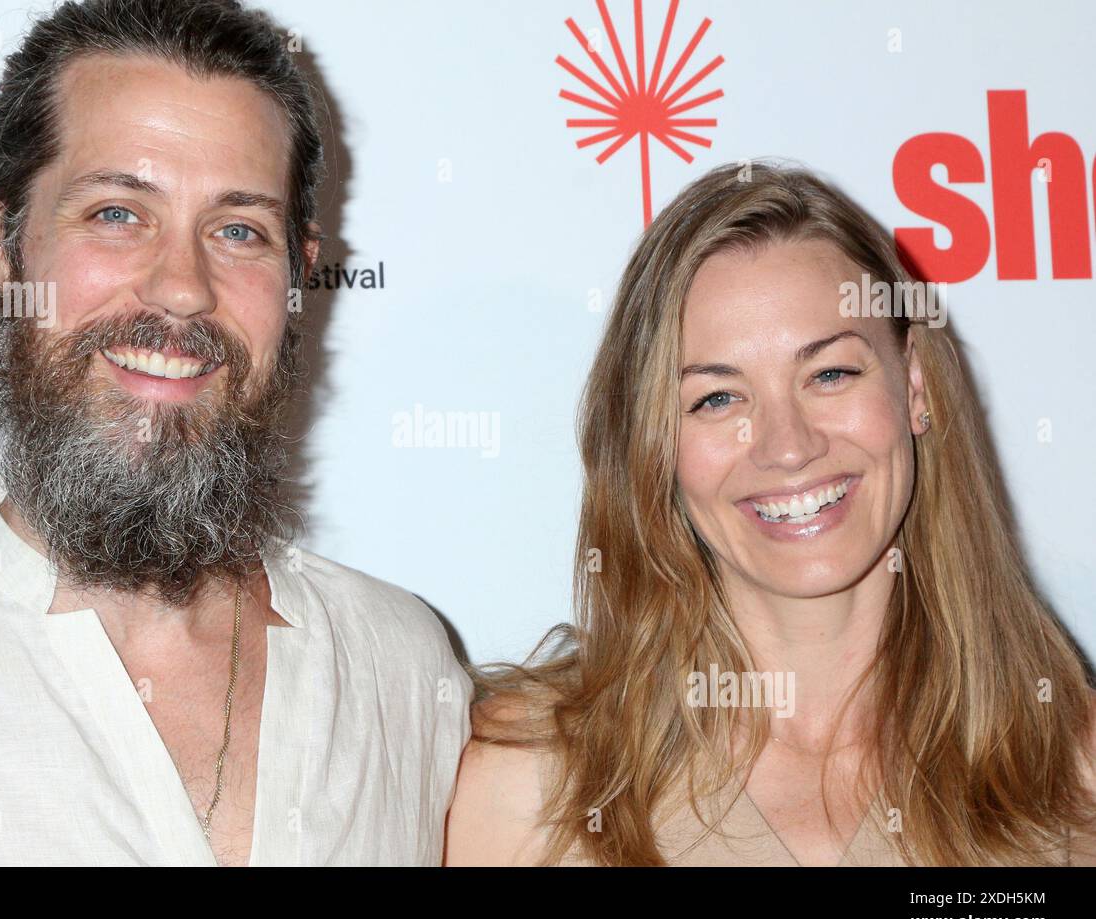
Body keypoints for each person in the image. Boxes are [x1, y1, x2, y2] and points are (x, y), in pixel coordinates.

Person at [0, 0, 469, 866]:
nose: (182, 287)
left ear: (298, 278)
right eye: (118, 213)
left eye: (238, 231)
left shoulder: (403, 668)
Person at [444, 161, 1096, 867]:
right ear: (655, 444)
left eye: (830, 374)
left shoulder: (1077, 771)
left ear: (914, 385)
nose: (788, 446)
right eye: (718, 399)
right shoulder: (533, 787)